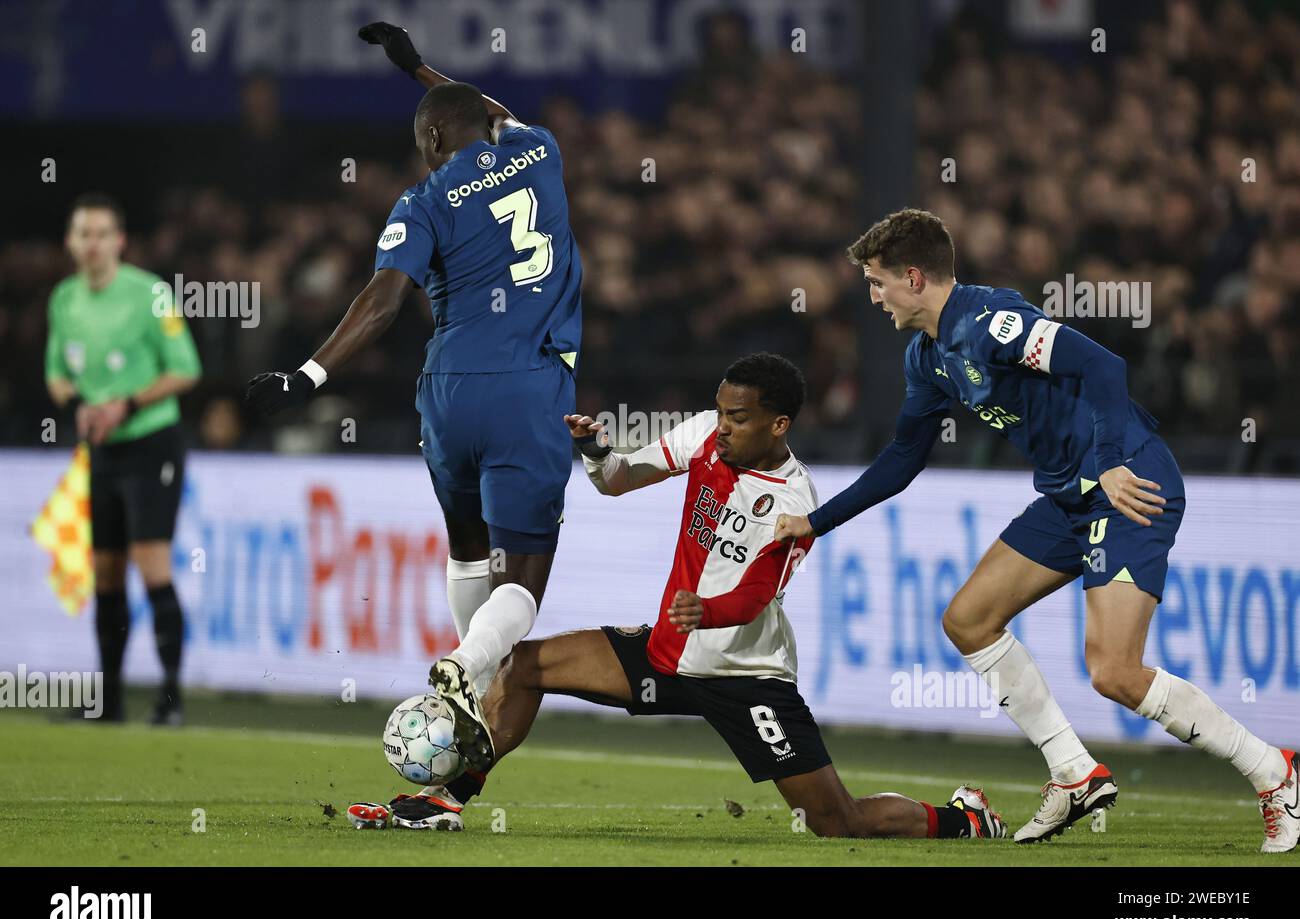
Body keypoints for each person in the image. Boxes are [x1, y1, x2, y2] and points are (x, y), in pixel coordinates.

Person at [773, 208, 1296, 853]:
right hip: (1068, 498)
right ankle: (1074, 772)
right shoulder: (927, 357)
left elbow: (1104, 369)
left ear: (914, 277)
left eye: (878, 282)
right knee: (967, 619)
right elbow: (904, 458)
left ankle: (1275, 773)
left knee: (1113, 671)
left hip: (1127, 482)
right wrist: (817, 524)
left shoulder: (991, 321)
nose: (873, 297)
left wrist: (1105, 467)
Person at [349, 353, 1009, 841]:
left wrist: (709, 611)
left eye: (738, 418)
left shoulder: (792, 499)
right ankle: (447, 800)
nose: (721, 427)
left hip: (744, 674)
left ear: (779, 425)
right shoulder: (704, 437)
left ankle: (964, 819)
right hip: (667, 652)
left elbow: (755, 598)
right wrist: (593, 450)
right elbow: (616, 481)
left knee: (834, 823)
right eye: (720, 411)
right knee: (523, 666)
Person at [245, 23, 584, 761]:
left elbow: (384, 301)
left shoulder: (421, 203)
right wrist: (421, 69)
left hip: (447, 392)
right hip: (529, 388)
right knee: (522, 575)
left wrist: (306, 375)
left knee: (468, 550)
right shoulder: (538, 150)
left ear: (431, 143)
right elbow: (486, 110)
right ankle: (464, 670)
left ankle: (463, 695)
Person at [45, 193, 202, 725]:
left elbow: (186, 369)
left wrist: (127, 404)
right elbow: (56, 372)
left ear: (120, 241)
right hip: (103, 451)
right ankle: (108, 702)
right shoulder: (64, 299)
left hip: (152, 444)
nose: (91, 244)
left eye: (101, 233)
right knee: (107, 573)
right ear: (70, 242)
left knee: (150, 561)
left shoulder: (150, 294)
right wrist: (78, 405)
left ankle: (171, 699)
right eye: (82, 233)